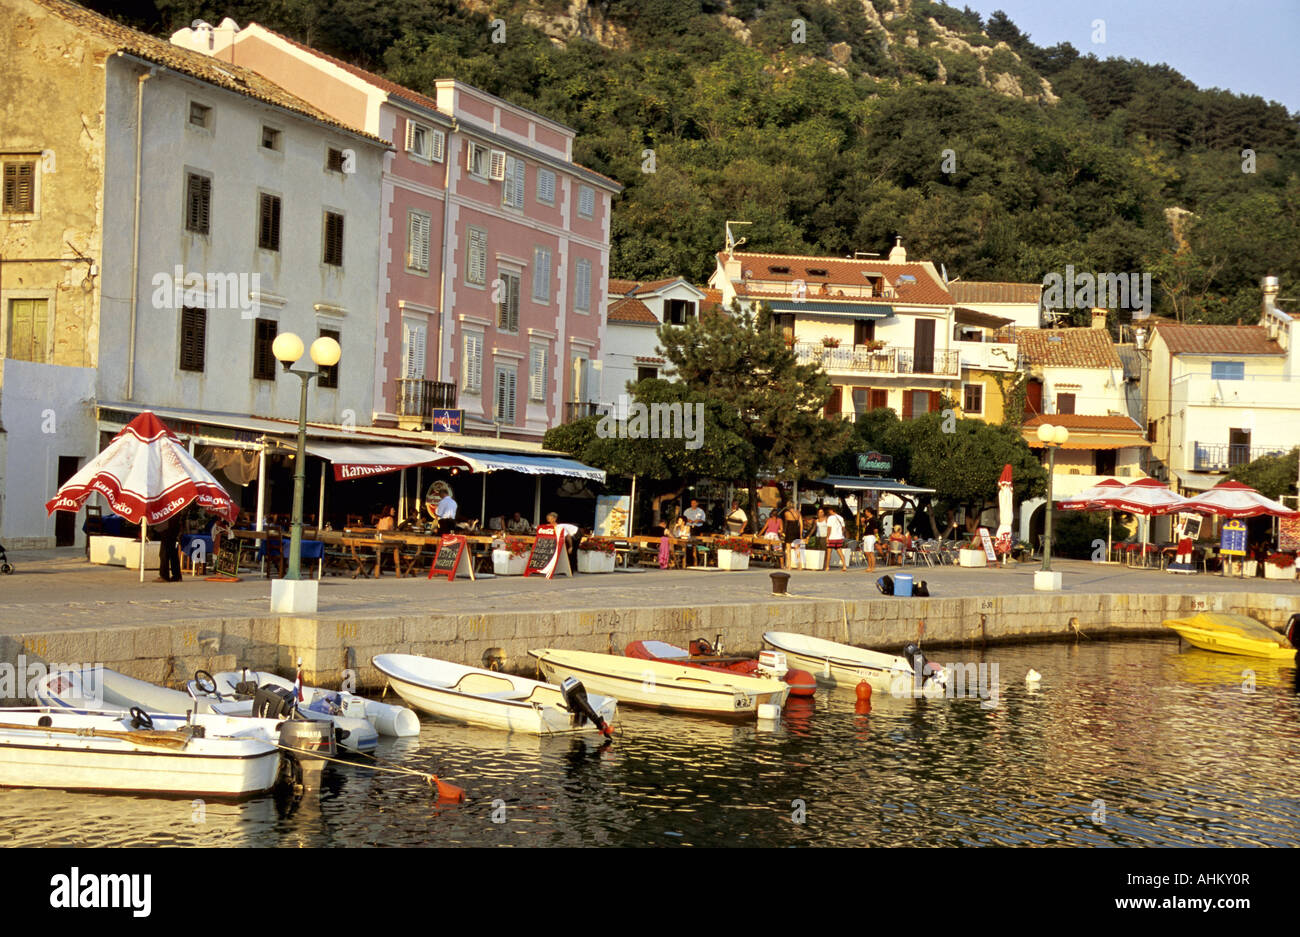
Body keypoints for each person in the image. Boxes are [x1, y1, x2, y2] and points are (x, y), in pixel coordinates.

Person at [154, 512, 183, 583]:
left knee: (164, 553)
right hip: (173, 526)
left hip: (167, 526)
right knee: (172, 552)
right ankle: (176, 575)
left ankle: (164, 575)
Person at [826, 505, 848, 571]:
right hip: (839, 537)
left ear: (832, 510)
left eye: (829, 510)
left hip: (832, 537)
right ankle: (844, 566)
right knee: (840, 551)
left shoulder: (830, 518)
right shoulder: (841, 518)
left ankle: (827, 567)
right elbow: (843, 528)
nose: (829, 511)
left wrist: (827, 537)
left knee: (829, 552)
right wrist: (840, 533)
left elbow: (829, 528)